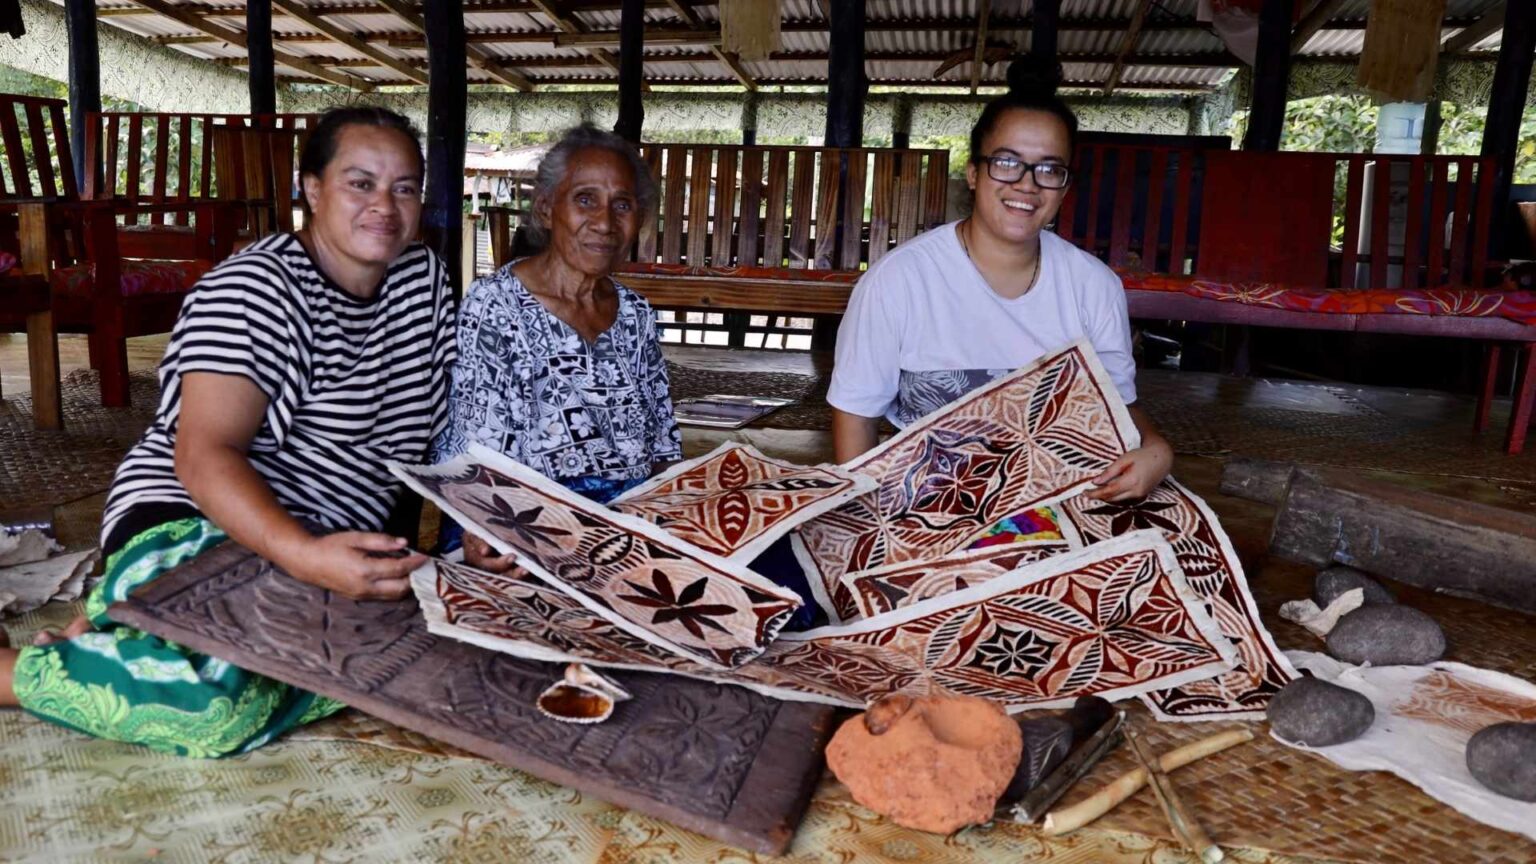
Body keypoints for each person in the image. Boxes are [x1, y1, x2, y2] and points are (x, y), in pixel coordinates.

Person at [0, 106, 456, 757]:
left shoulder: (424, 283)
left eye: (404, 187)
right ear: (313, 188)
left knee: (415, 655)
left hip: (322, 543)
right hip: (199, 516)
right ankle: (16, 674)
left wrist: (470, 537)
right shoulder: (254, 288)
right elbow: (204, 455)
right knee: (216, 705)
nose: (385, 205)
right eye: (361, 182)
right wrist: (304, 555)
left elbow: (429, 439)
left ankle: (122, 637)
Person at [828, 57, 1173, 501]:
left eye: (1049, 169)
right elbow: (855, 416)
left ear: (1065, 187)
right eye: (1007, 163)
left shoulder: (1094, 285)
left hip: (1056, 496)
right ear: (974, 173)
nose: (1028, 185)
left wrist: (1158, 449)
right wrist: (869, 519)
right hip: (926, 499)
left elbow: (1118, 408)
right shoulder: (899, 281)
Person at [435, 125, 682, 571]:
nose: (605, 223)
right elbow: (473, 446)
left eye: (622, 205)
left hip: (623, 519)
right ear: (547, 209)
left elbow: (662, 447)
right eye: (585, 199)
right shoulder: (496, 304)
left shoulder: (636, 315)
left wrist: (677, 522)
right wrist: (482, 525)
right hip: (517, 513)